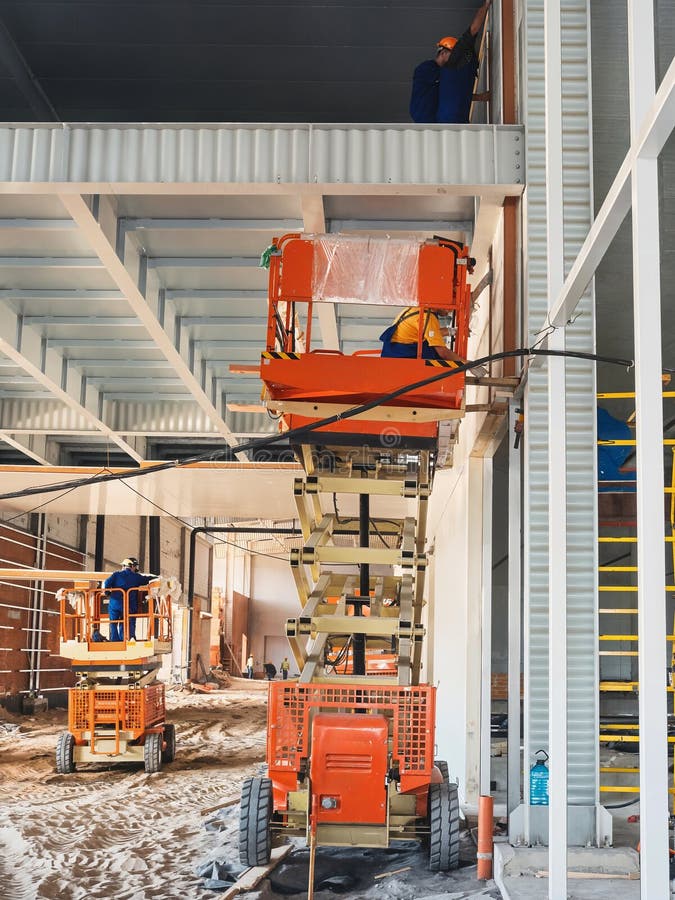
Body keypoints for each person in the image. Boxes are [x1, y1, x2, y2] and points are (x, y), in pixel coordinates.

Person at [410, 0, 492, 124]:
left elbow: (454, 92)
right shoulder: (427, 69)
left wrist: (480, 97)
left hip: (435, 120)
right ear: (443, 53)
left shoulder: (442, 77)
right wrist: (486, 5)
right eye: (453, 54)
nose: (456, 58)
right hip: (426, 119)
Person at [103, 558, 154, 642]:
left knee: (113, 622)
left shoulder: (116, 575)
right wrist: (155, 577)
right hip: (128, 605)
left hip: (115, 603)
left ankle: (115, 640)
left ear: (124, 566)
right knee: (129, 621)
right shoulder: (136, 577)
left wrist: (107, 592)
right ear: (132, 566)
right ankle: (129, 638)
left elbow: (107, 582)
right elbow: (146, 579)